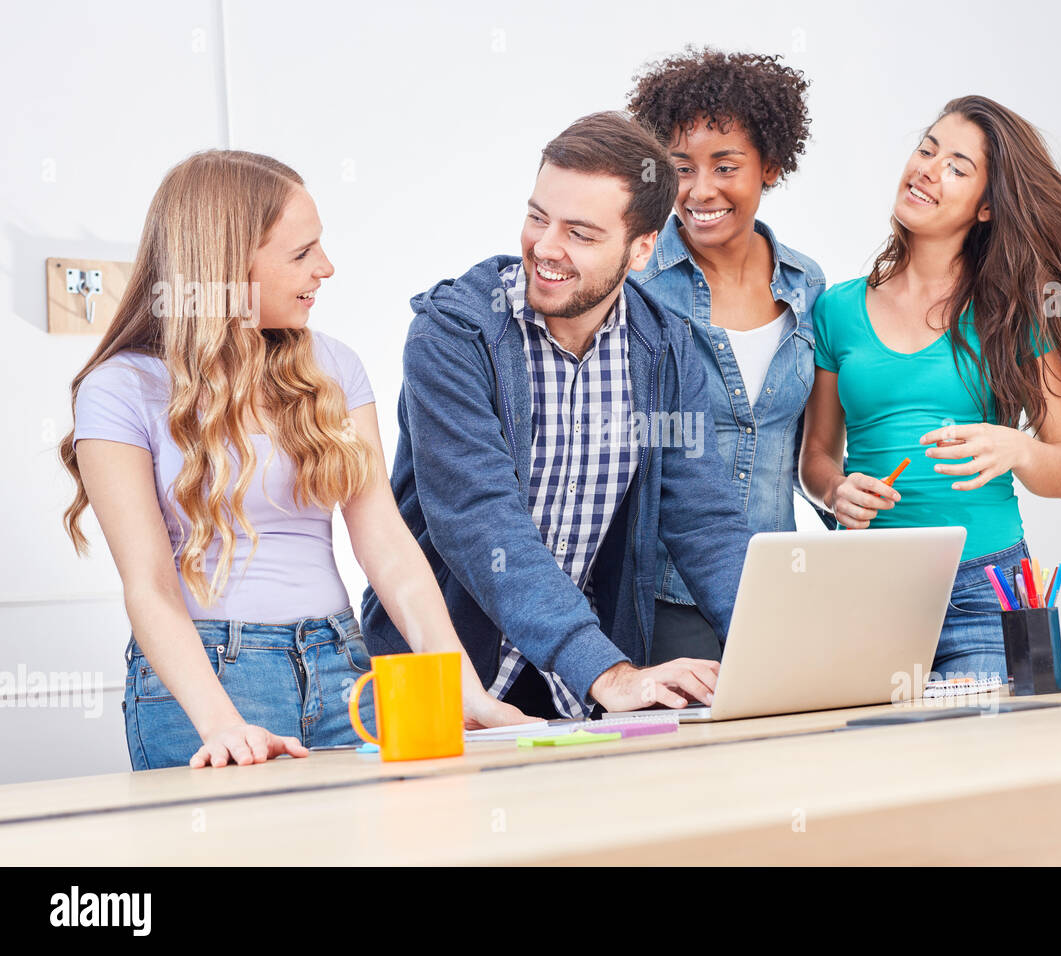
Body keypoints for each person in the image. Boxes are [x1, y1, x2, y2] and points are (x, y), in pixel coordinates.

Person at [63, 150, 528, 770]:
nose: (327, 268)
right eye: (302, 253)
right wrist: (224, 725)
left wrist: (460, 686)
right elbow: (148, 585)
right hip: (205, 683)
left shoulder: (332, 365)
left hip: (340, 663)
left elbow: (385, 541)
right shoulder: (121, 389)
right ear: (230, 264)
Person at [360, 112, 755, 720]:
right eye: (538, 217)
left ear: (642, 249)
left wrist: (777, 650)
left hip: (575, 694)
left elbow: (703, 524)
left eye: (581, 233)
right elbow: (481, 520)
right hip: (450, 681)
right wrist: (607, 671)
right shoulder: (454, 336)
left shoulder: (668, 351)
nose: (546, 248)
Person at [800, 95, 1061, 681]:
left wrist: (1018, 449)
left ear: (987, 206)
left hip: (984, 584)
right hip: (866, 584)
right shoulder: (837, 308)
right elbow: (815, 457)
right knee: (876, 761)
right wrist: (836, 492)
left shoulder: (1017, 313)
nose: (927, 168)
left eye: (957, 167)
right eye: (926, 149)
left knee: (980, 754)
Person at [627, 47, 832, 664]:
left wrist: (840, 491)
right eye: (681, 167)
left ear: (769, 166)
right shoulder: (636, 282)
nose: (700, 190)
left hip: (779, 587)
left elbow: (807, 456)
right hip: (666, 594)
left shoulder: (806, 284)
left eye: (726, 166)